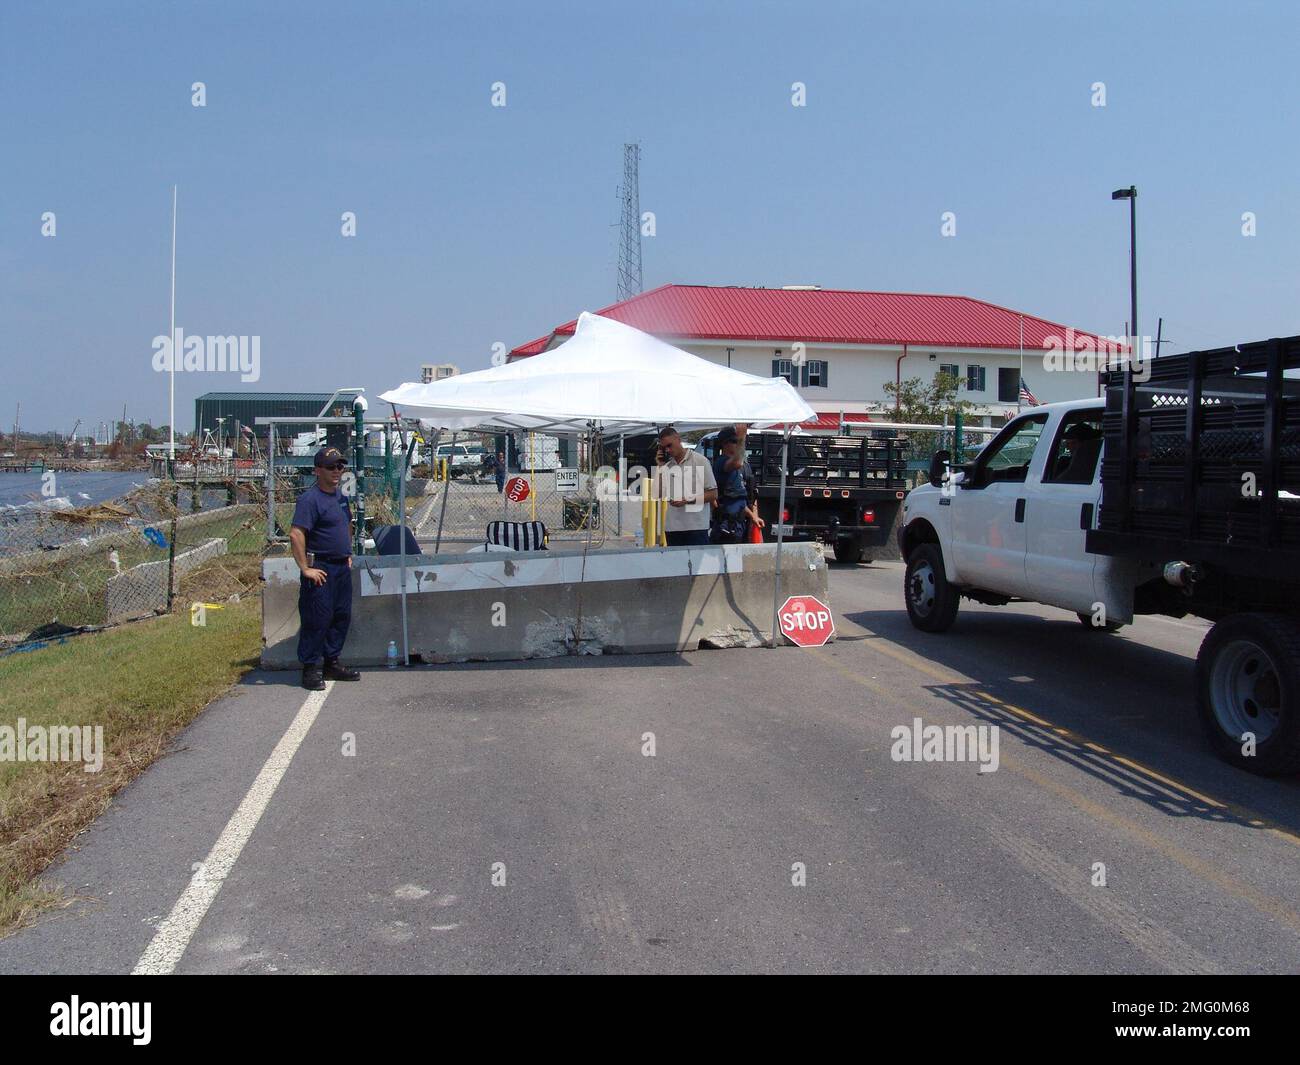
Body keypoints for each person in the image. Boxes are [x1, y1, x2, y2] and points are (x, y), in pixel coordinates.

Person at [290, 447, 362, 691]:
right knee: (317, 619)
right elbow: (297, 534)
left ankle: (332, 662)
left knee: (341, 616)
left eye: (340, 467)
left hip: (341, 567)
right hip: (320, 567)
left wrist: (348, 552)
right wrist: (305, 568)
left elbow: (347, 524)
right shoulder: (309, 500)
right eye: (331, 467)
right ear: (317, 470)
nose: (336, 471)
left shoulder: (341, 497)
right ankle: (310, 667)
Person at [653, 426, 717, 546]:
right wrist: (660, 466)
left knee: (697, 563)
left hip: (696, 527)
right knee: (676, 564)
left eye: (669, 445)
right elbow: (658, 493)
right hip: (673, 528)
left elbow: (713, 494)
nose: (667, 450)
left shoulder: (700, 461)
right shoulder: (667, 466)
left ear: (678, 439)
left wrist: (687, 500)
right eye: (664, 447)